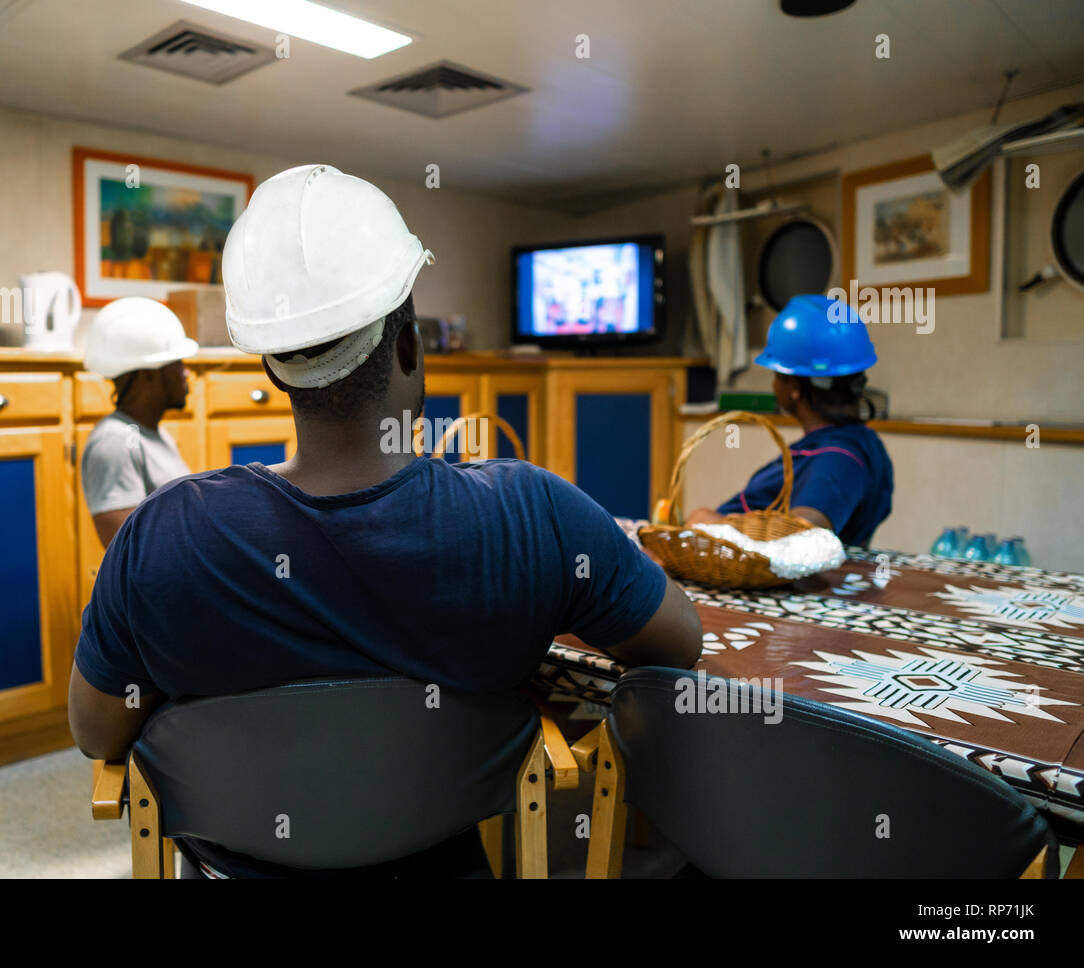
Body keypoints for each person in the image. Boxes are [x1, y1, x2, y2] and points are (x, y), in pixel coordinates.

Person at [68, 164, 702, 874]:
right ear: (409, 347)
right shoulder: (539, 513)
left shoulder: (159, 538)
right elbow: (678, 643)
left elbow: (98, 732)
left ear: (276, 370)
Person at [684, 294, 893, 547]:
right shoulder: (856, 443)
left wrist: (710, 525)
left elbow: (803, 536)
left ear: (794, 386)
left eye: (776, 374)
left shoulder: (839, 459)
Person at [80, 297, 197, 548]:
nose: (186, 373)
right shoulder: (115, 443)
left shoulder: (153, 434)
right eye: (177, 364)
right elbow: (129, 554)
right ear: (147, 375)